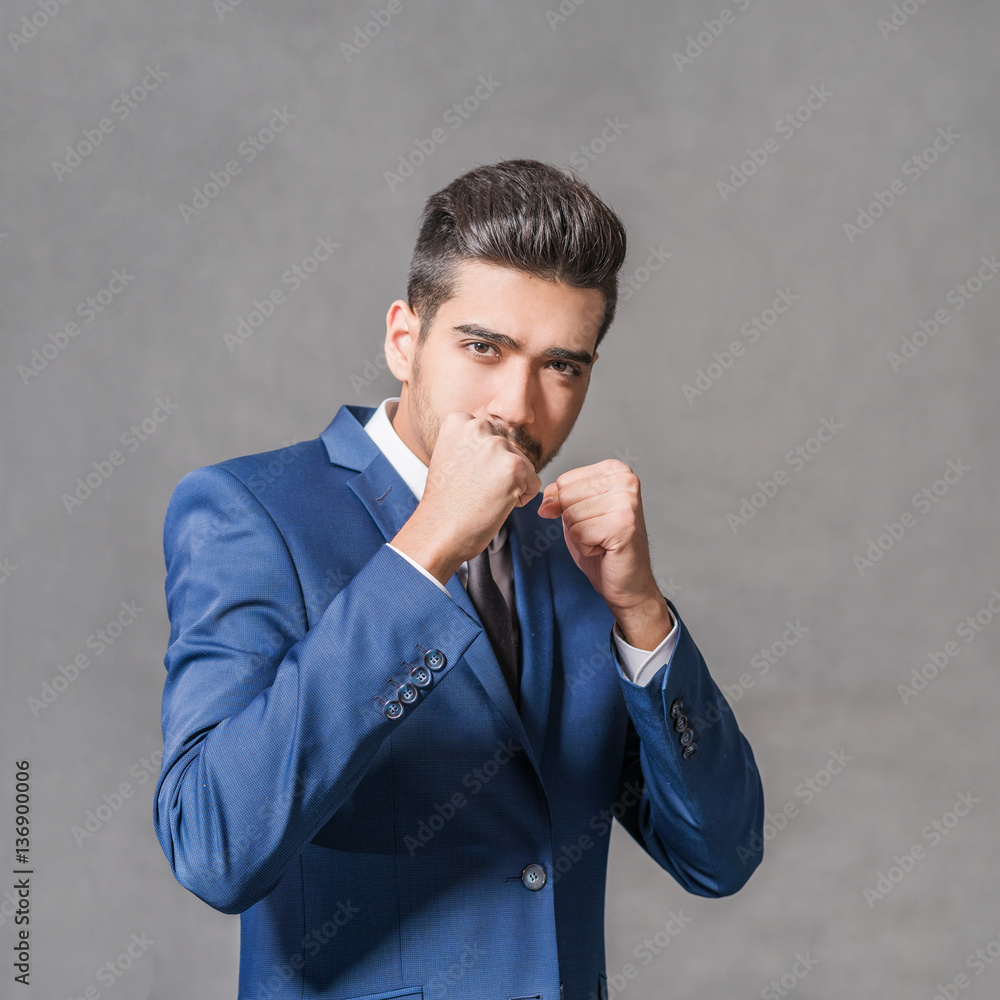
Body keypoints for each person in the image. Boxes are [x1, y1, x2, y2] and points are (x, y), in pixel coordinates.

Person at [153, 159, 764, 1000]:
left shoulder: (580, 555)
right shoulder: (249, 513)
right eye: (483, 348)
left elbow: (720, 857)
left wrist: (642, 612)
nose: (516, 405)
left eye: (561, 366)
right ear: (404, 339)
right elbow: (214, 846)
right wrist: (428, 543)